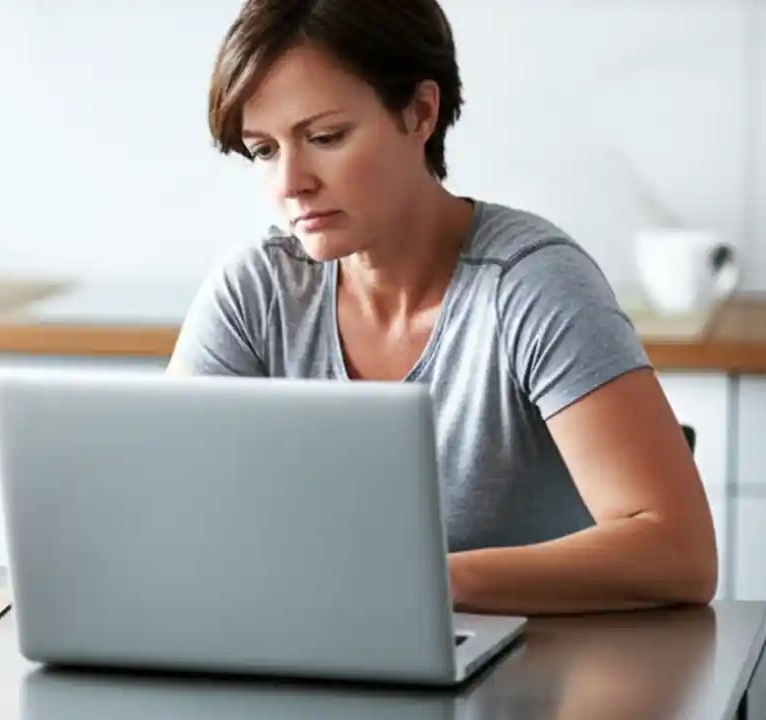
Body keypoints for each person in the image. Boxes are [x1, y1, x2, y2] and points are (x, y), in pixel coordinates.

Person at [168, 0, 717, 615]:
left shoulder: (531, 285)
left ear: (420, 112)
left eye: (325, 138)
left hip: (533, 683)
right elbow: (170, 524)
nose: (290, 182)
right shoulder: (255, 293)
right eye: (264, 150)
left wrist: (422, 583)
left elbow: (680, 553)